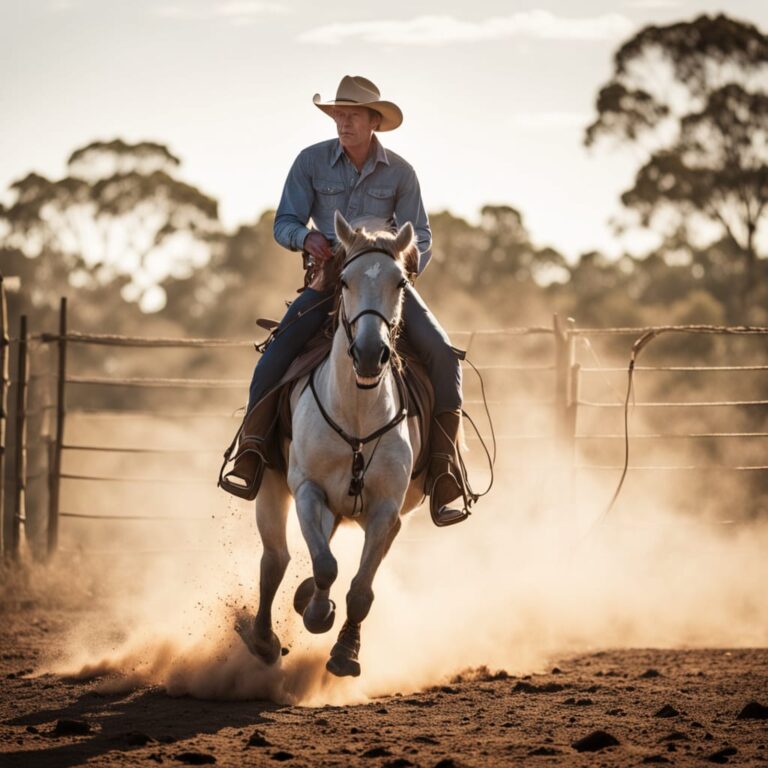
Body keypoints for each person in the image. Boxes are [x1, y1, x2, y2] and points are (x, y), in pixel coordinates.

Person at [220, 75, 467, 526]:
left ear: (375, 120)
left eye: (352, 114)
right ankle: (252, 449)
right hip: (329, 278)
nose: (342, 121)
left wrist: (401, 267)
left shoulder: (401, 172)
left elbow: (423, 237)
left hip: (386, 280)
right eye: (338, 113)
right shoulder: (310, 162)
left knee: (444, 356)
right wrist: (306, 237)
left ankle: (445, 470)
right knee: (277, 351)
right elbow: (285, 222)